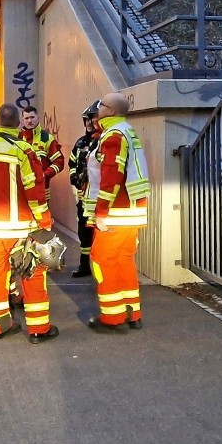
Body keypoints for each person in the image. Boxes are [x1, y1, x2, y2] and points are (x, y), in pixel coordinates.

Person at [0, 105, 58, 344]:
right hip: (22, 229)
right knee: (33, 274)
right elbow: (35, 192)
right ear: (18, 124)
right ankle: (38, 329)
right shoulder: (24, 150)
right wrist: (44, 222)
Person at [86, 92, 150, 333]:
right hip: (130, 212)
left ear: (110, 111)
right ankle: (133, 312)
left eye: (101, 105)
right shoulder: (126, 131)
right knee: (124, 260)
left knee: (102, 261)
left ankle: (112, 319)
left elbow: (111, 176)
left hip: (115, 212)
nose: (97, 108)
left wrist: (101, 211)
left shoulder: (113, 135)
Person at [66, 102, 102, 277]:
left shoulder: (102, 141)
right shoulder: (80, 143)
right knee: (83, 230)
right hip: (83, 197)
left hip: (98, 197)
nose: (89, 123)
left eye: (92, 119)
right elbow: (72, 162)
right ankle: (84, 265)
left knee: (99, 232)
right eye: (87, 120)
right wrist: (73, 176)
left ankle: (99, 265)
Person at [18, 105, 66, 184]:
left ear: (38, 117)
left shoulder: (47, 138)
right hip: (22, 191)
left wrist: (45, 174)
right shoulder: (18, 138)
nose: (29, 121)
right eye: (26, 118)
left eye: (32, 117)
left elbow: (59, 162)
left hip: (43, 189)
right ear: (22, 120)